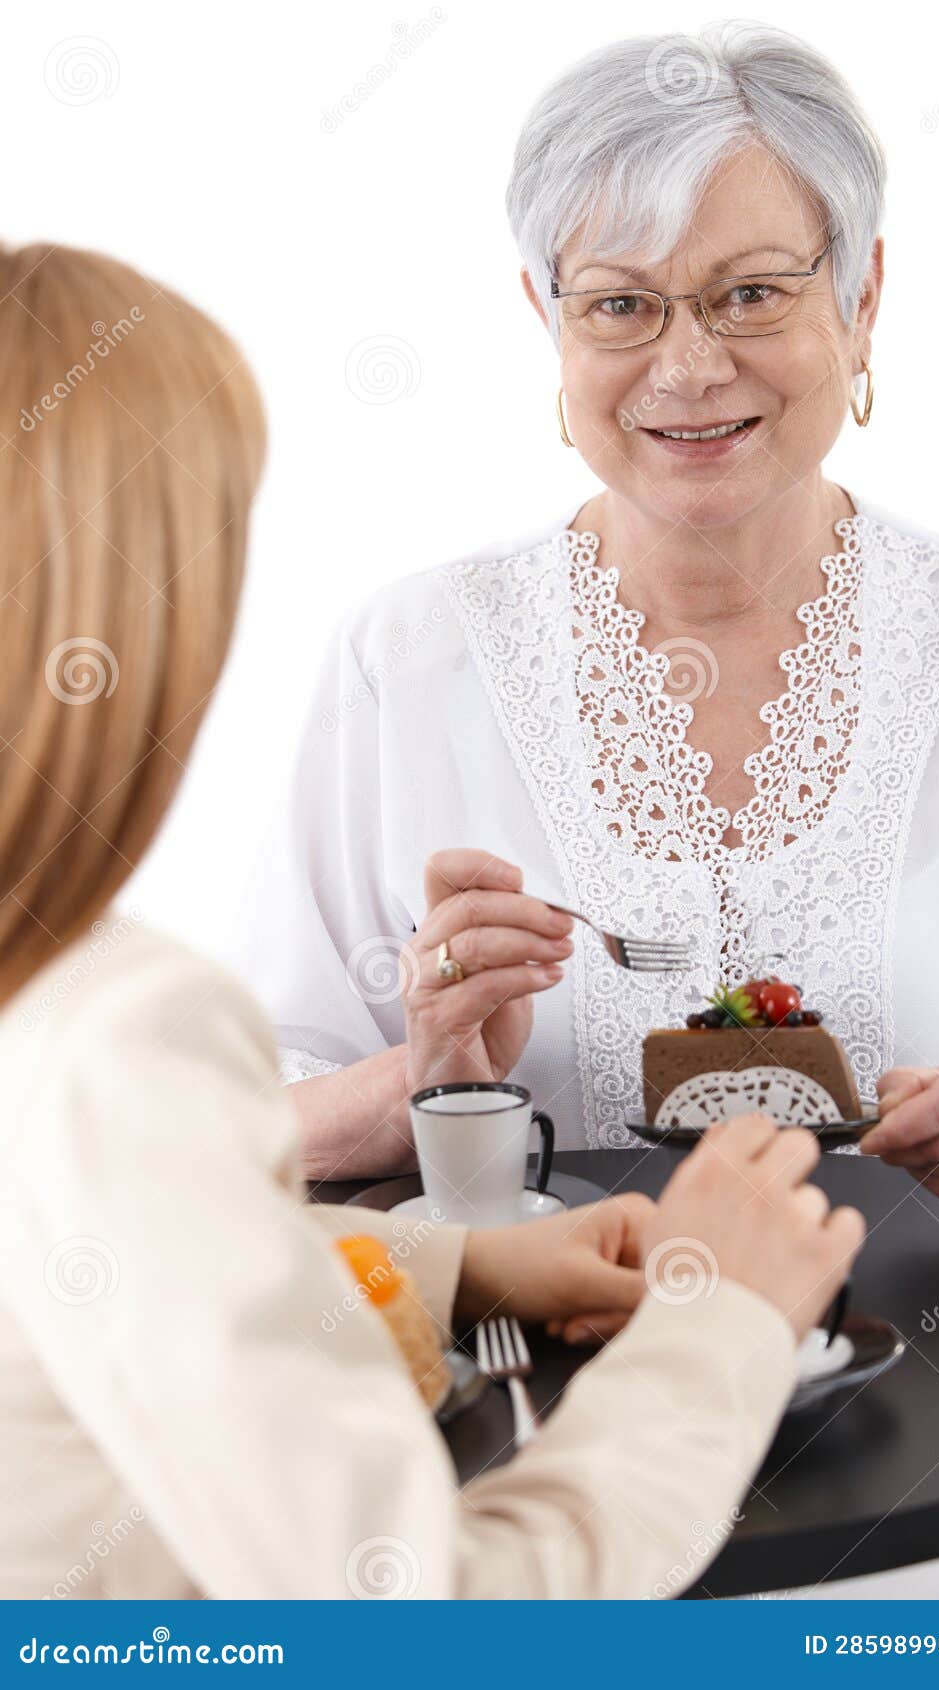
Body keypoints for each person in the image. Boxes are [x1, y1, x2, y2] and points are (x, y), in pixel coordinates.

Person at [0, 239, 863, 1600]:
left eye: (753, 289)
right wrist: (724, 1321)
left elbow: (118, 1260)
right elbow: (422, 1619)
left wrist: (463, 1261)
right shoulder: (123, 1024)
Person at [232, 24, 939, 1219]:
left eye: (752, 295)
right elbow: (231, 1133)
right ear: (546, 317)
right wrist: (428, 1082)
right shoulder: (405, 661)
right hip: (538, 1394)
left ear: (863, 295)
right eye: (621, 303)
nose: (686, 367)